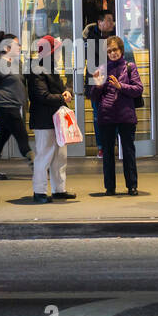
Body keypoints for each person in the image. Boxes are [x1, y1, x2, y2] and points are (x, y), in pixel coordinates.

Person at [89, 35, 144, 196]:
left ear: (121, 50)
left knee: (128, 152)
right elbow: (93, 96)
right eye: (109, 51)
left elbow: (138, 89)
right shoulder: (101, 69)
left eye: (115, 50)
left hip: (125, 115)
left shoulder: (130, 67)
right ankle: (110, 187)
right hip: (106, 116)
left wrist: (121, 86)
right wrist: (98, 86)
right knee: (107, 154)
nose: (112, 53)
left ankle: (132, 186)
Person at [27, 35, 76, 204]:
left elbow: (57, 91)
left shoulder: (49, 68)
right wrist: (63, 97)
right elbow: (42, 96)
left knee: (59, 156)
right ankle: (39, 191)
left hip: (54, 120)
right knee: (45, 155)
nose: (59, 53)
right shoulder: (36, 69)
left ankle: (58, 189)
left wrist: (66, 92)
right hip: (44, 120)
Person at [0, 32, 34, 180]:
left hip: (14, 105)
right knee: (22, 137)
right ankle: (38, 168)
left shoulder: (16, 63)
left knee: (1, 137)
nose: (19, 47)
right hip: (5, 106)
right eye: (16, 44)